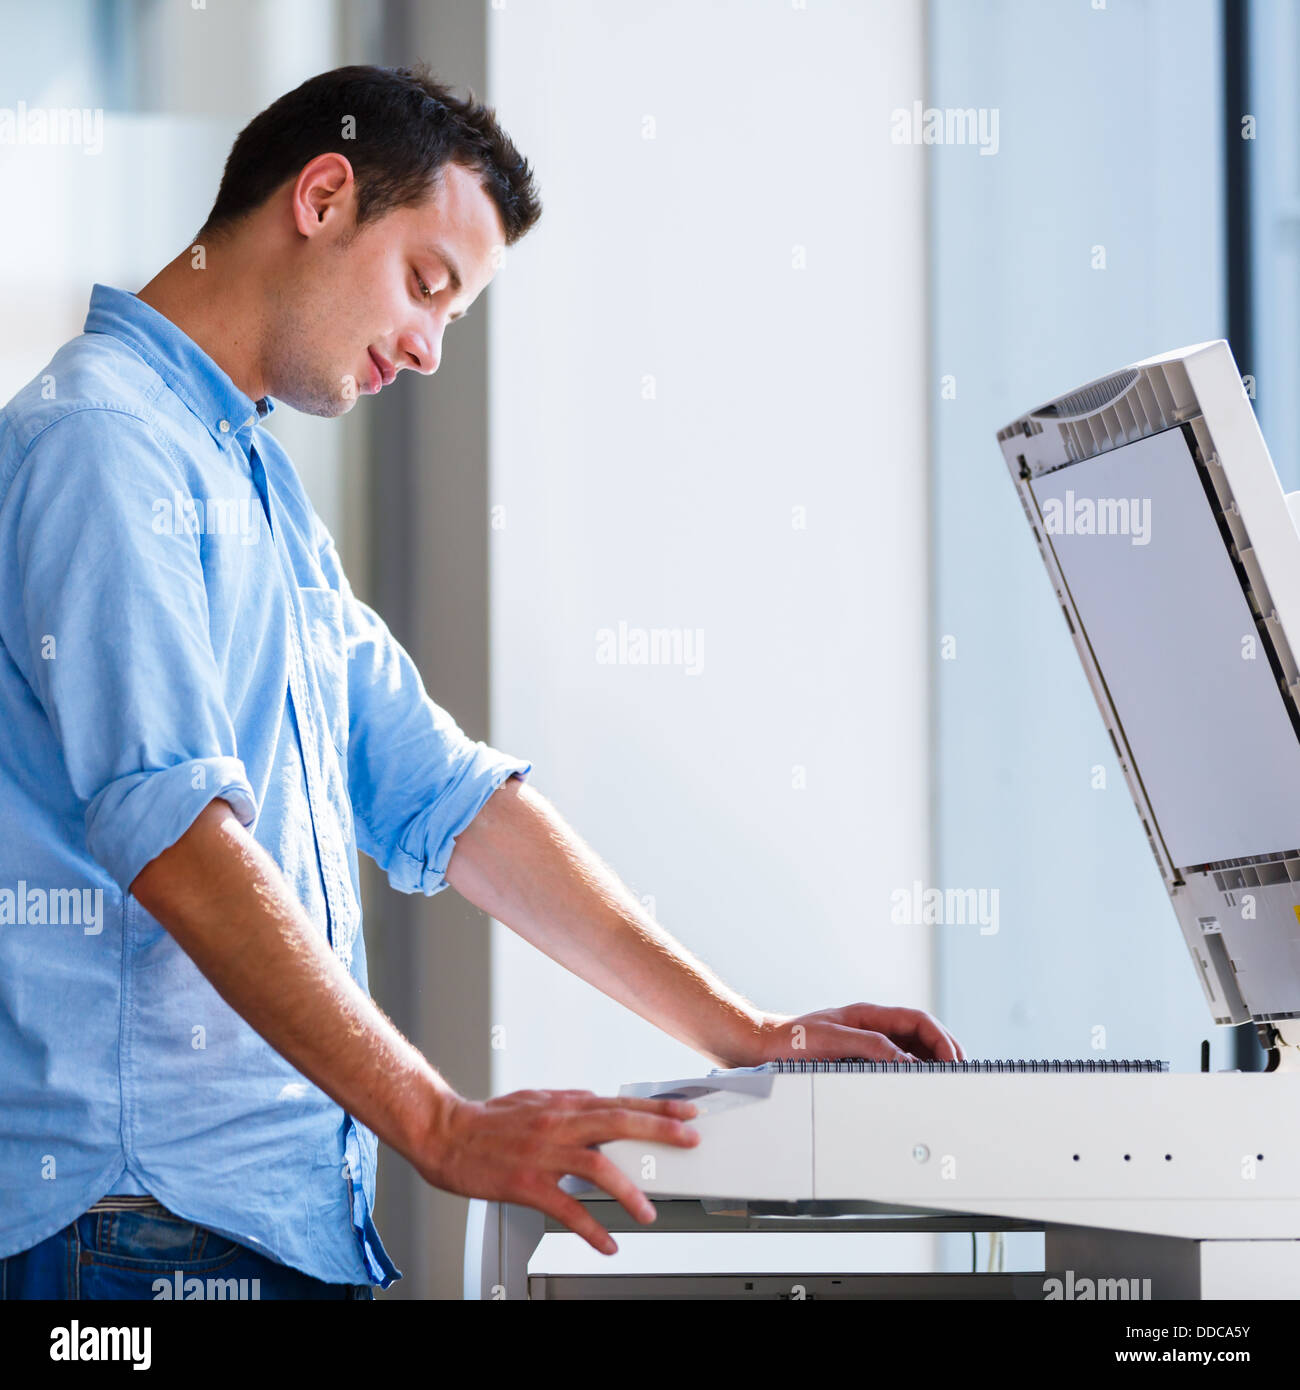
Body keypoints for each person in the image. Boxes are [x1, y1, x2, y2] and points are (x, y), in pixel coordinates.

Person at [0, 63, 962, 1300]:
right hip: (133, 1237)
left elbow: (445, 796)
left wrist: (749, 1034)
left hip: (245, 1226)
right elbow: (177, 840)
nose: (428, 346)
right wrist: (444, 1127)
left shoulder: (248, 481)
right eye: (427, 285)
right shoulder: (100, 442)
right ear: (326, 195)